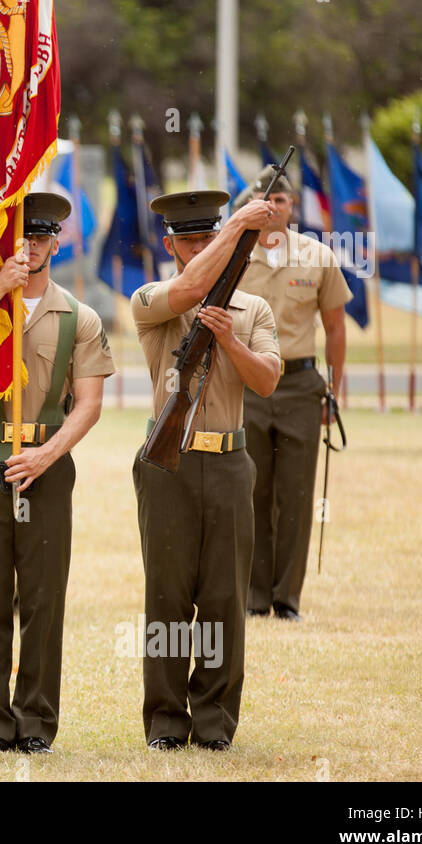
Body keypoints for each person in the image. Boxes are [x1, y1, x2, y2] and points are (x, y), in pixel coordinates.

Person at [0, 192, 114, 755]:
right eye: (21, 238)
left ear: (55, 244)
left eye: (39, 238)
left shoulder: (78, 317)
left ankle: (36, 719)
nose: (30, 248)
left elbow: (88, 403)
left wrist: (46, 455)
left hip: (47, 461)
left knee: (42, 596)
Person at [131, 189, 280, 751]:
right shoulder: (153, 297)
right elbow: (192, 288)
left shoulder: (254, 309)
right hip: (168, 464)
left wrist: (228, 340)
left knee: (222, 598)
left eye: (207, 237)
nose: (197, 249)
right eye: (188, 240)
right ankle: (167, 722)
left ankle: (214, 721)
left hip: (228, 462)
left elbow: (266, 379)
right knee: (167, 595)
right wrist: (238, 224)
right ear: (169, 244)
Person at [233, 166, 352, 622]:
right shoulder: (236, 258)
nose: (274, 207)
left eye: (281, 200)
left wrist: (333, 393)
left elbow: (336, 328)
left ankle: (287, 600)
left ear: (292, 206)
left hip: (302, 384)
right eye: (265, 200)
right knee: (251, 490)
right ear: (251, 207)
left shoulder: (317, 257)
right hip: (249, 384)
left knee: (297, 496)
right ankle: (254, 597)